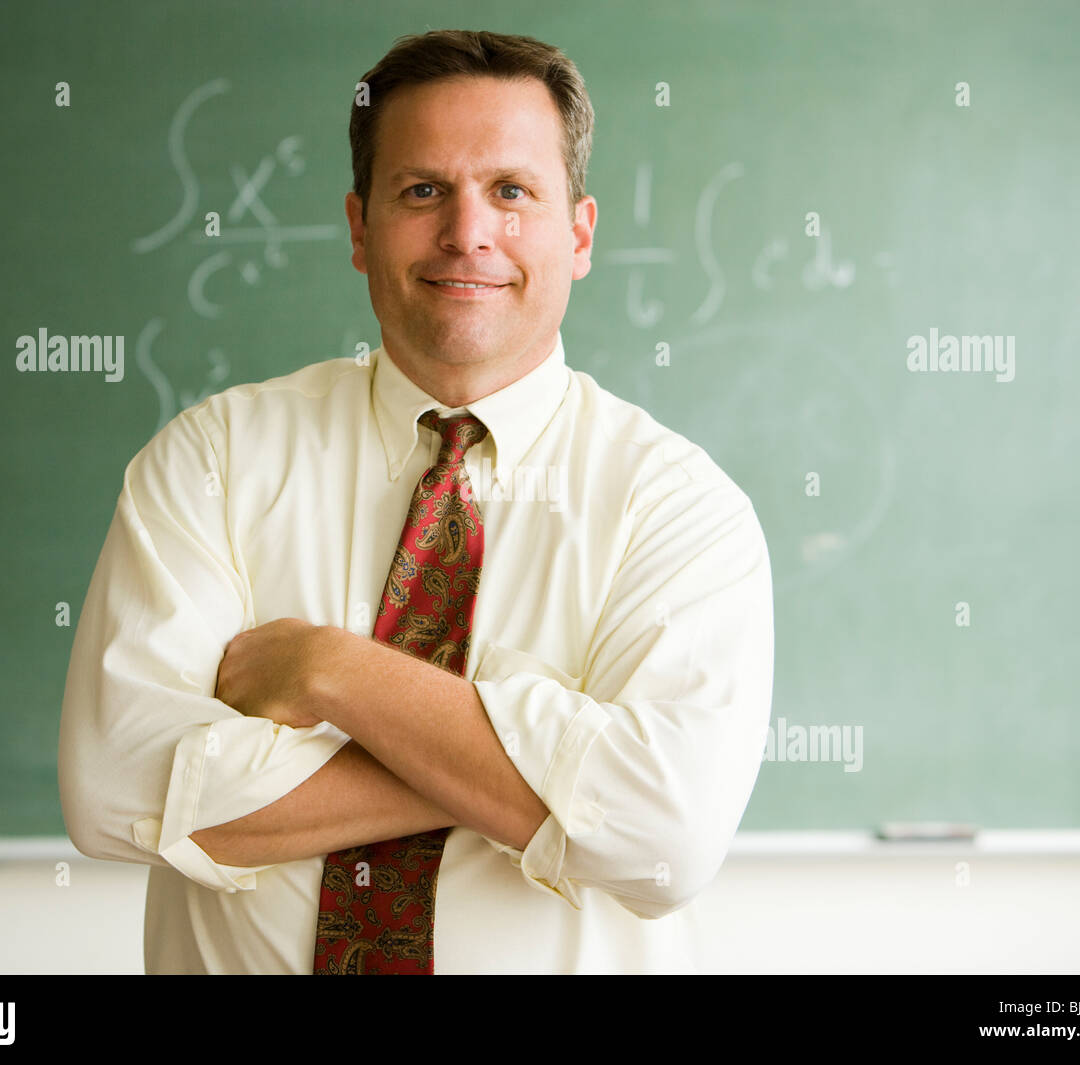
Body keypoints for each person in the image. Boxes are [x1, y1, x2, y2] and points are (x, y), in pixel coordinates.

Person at [58, 28, 774, 975]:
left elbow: (662, 840)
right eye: (423, 190)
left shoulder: (680, 508)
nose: (467, 231)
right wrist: (532, 759)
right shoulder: (215, 460)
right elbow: (114, 789)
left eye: (512, 191)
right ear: (359, 228)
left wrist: (332, 671)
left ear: (581, 232)